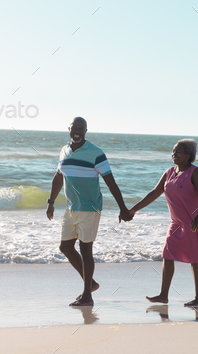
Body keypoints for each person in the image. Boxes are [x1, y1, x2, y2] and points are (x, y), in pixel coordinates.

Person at [46, 117, 132, 306]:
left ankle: (87, 296)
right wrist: (50, 202)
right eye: (74, 128)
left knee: (86, 250)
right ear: (69, 129)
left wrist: (123, 208)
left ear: (86, 131)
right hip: (71, 208)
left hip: (90, 209)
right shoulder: (64, 150)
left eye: (81, 128)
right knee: (65, 247)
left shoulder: (96, 153)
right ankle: (90, 284)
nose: (77, 131)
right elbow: (58, 177)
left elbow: (111, 182)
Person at [130, 139, 198, 307]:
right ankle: (163, 295)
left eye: (178, 152)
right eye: (173, 151)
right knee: (167, 254)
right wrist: (133, 209)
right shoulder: (169, 172)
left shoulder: (195, 172)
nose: (174, 154)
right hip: (176, 223)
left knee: (194, 259)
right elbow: (154, 193)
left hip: (194, 222)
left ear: (188, 155)